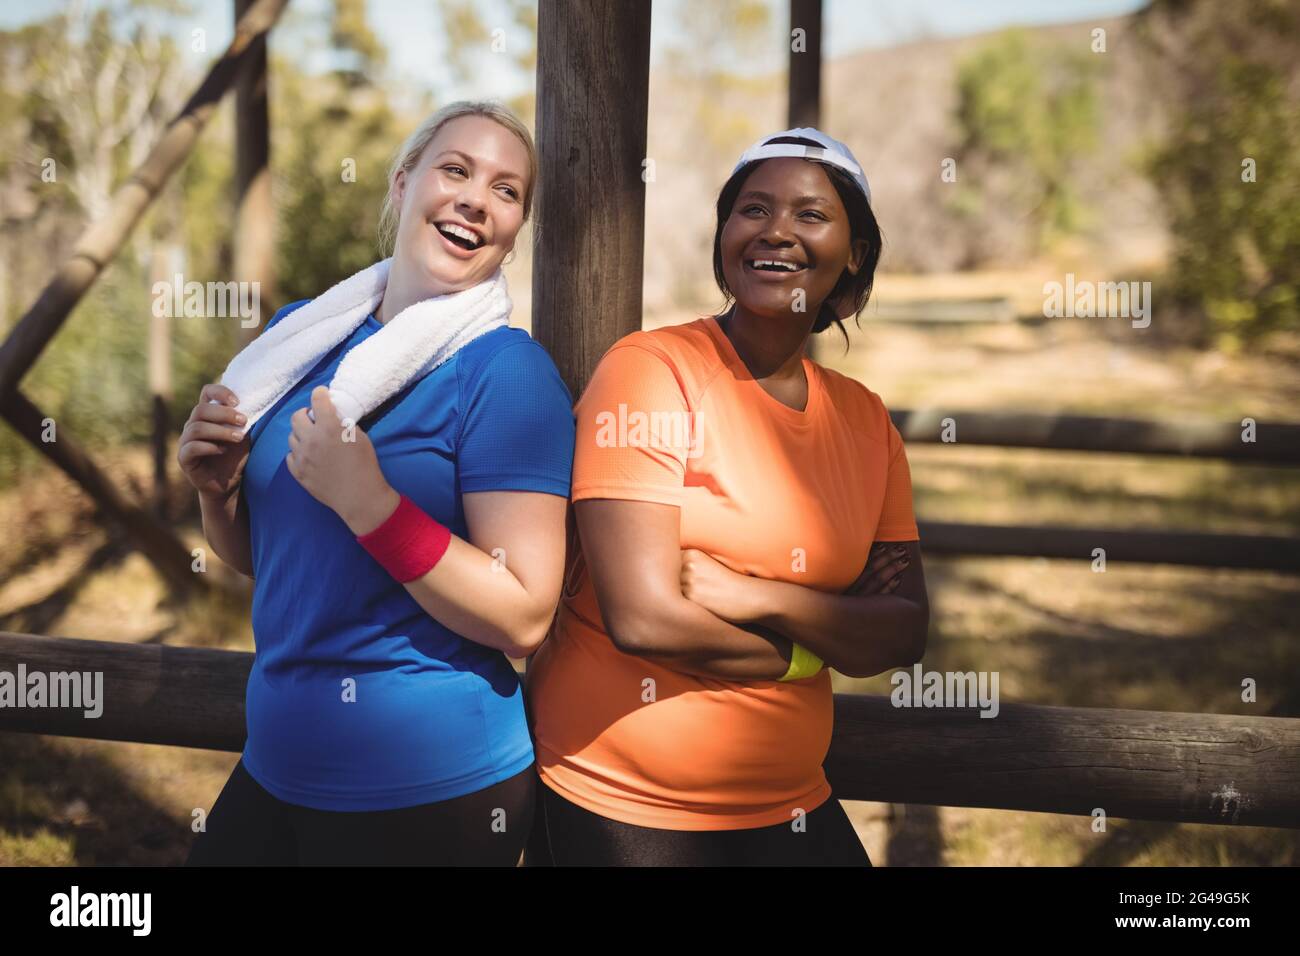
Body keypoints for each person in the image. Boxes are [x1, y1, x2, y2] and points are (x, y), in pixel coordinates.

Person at [180, 101, 574, 865]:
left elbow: (524, 616)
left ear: (516, 227)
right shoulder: (300, 340)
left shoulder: (508, 374)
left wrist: (373, 507)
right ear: (402, 185)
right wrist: (216, 490)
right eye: (455, 170)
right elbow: (273, 562)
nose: (474, 198)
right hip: (276, 760)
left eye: (506, 190)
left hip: (428, 789)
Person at [523, 128, 929, 866]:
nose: (776, 231)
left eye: (810, 215)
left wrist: (753, 594)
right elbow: (645, 618)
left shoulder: (865, 419)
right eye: (752, 209)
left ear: (855, 252)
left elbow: (902, 631)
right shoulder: (653, 371)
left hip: (794, 801)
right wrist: (822, 647)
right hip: (624, 803)